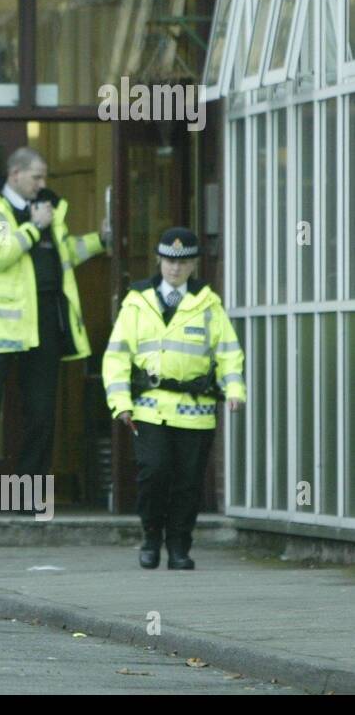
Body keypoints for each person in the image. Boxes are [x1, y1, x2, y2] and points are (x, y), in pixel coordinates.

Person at [102, 227, 245, 571]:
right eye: (168, 261)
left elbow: (228, 352)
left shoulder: (208, 303)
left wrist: (235, 389)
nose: (175, 269)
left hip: (195, 411)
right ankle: (151, 538)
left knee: (188, 481)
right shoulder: (137, 301)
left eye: (182, 263)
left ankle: (179, 546)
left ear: (194, 264)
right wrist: (120, 403)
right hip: (149, 408)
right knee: (153, 473)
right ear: (159, 260)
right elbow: (116, 355)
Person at [0, 146, 111, 483]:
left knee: (41, 413)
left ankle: (28, 494)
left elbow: (65, 253)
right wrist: (33, 228)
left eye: (44, 177)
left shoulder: (49, 208)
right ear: (15, 174)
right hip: (0, 328)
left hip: (45, 322)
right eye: (36, 176)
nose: (41, 183)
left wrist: (99, 241)